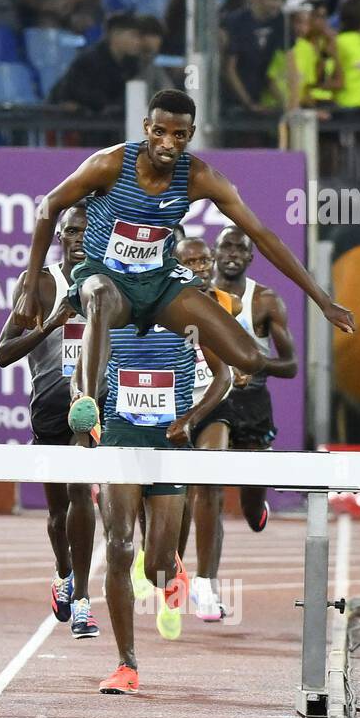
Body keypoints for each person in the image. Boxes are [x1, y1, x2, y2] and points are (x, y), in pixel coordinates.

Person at [11, 88, 353, 457]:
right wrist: (31, 284)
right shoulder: (110, 163)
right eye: (159, 132)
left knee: (249, 359)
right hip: (105, 275)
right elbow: (49, 206)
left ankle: (90, 396)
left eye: (178, 135)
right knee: (99, 297)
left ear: (190, 136)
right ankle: (86, 406)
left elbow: (263, 236)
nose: (167, 144)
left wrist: (323, 300)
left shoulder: (201, 178)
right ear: (146, 128)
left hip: (158, 283)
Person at [88, 287, 233, 692]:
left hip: (170, 442)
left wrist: (191, 417)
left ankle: (171, 570)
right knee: (118, 547)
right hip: (121, 438)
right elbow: (87, 364)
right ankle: (126, 665)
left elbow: (224, 376)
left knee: (156, 568)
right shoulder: (110, 308)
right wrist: (84, 400)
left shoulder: (189, 313)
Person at [0, 203, 101, 640]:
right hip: (49, 408)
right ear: (59, 237)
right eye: (71, 232)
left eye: (87, 232)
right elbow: (4, 353)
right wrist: (52, 323)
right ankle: (64, 574)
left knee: (83, 494)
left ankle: (83, 601)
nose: (79, 239)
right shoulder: (37, 284)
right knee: (58, 512)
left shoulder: (108, 285)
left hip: (91, 408)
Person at [205, 225, 299, 534]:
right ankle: (202, 568)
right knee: (207, 484)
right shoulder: (196, 296)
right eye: (226, 246)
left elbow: (290, 365)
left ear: (251, 257)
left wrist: (255, 364)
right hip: (207, 397)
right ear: (214, 252)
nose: (233, 253)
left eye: (241, 248)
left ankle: (257, 507)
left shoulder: (265, 301)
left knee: (251, 508)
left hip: (251, 403)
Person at [171, 236, 241, 622]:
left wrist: (243, 365)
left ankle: (206, 582)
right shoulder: (164, 302)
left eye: (203, 260)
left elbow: (234, 360)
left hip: (212, 403)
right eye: (190, 261)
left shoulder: (229, 303)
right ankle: (169, 568)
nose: (199, 267)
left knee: (211, 483)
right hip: (173, 408)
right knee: (173, 498)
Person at [47, 12, 140, 117]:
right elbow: (72, 92)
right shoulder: (89, 60)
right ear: (115, 35)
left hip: (105, 121)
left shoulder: (132, 64)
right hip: (71, 121)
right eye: (133, 35)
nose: (137, 42)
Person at [219, 0, 285, 113]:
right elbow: (229, 69)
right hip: (231, 103)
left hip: (259, 101)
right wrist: (249, 104)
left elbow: (271, 71)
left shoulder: (279, 22)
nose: (277, 4)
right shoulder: (235, 22)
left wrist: (287, 105)